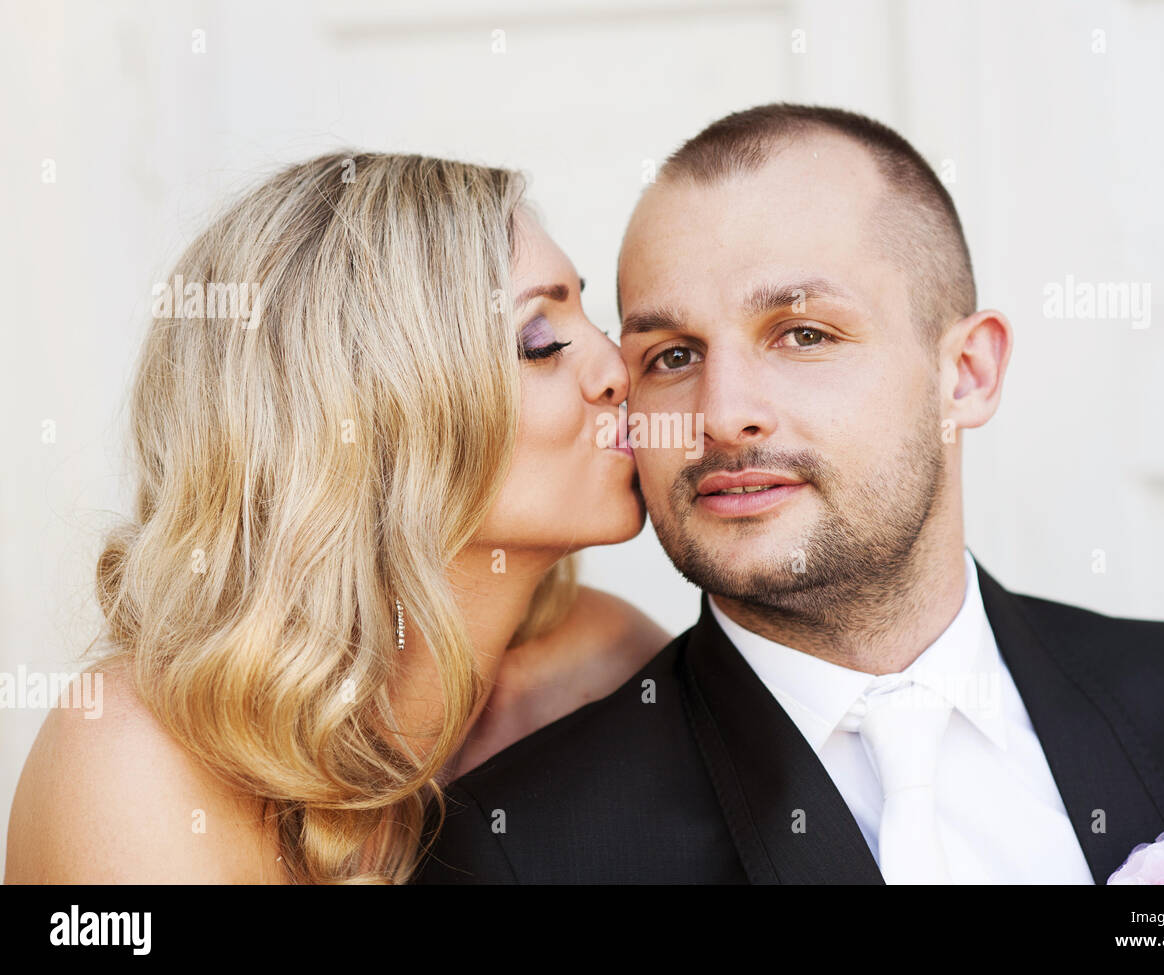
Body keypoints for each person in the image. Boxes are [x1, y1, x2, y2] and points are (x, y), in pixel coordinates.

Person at [415, 103, 1164, 884]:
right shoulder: (518, 852)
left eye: (802, 334)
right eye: (672, 355)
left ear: (965, 372)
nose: (723, 417)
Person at [5, 152, 668, 884]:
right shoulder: (135, 756)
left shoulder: (612, 668)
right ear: (373, 417)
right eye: (539, 341)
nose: (618, 367)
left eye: (592, 315)